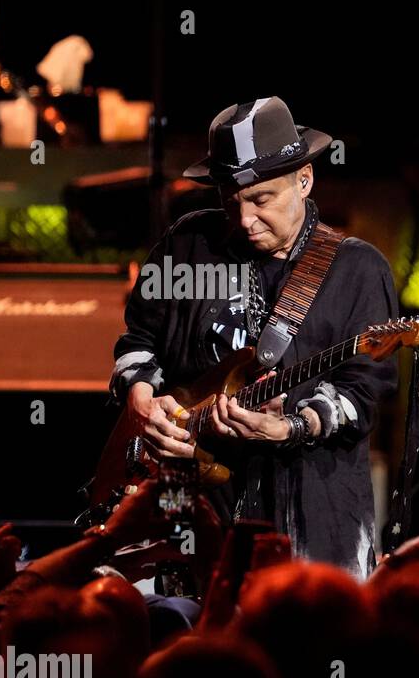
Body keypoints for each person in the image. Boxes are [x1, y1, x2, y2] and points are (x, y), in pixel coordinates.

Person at [109, 97, 400, 579]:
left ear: (304, 179)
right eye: (230, 200)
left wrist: (292, 426)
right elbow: (137, 340)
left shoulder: (358, 269)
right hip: (186, 503)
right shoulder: (188, 245)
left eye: (261, 200)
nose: (244, 220)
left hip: (308, 516)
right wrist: (142, 400)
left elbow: (364, 390)